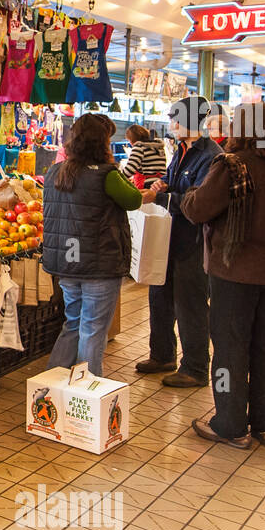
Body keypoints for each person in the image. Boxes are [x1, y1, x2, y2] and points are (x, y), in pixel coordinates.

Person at [181, 102, 265, 449]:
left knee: (229, 346)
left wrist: (189, 194)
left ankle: (230, 423)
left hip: (235, 269)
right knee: (264, 344)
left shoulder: (233, 165)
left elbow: (198, 209)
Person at [42, 113, 141, 377]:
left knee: (73, 323)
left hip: (66, 265)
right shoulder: (107, 175)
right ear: (103, 144)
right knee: (93, 329)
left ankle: (51, 388)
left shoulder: (54, 171)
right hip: (99, 265)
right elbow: (134, 200)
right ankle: (85, 393)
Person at [137, 94, 223, 387]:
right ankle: (162, 355)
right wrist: (165, 184)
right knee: (159, 297)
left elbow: (199, 202)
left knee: (191, 305)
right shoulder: (181, 150)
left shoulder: (211, 155)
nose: (171, 123)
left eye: (175, 118)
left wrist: (160, 195)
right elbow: (180, 187)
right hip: (169, 239)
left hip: (194, 242)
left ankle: (196, 368)